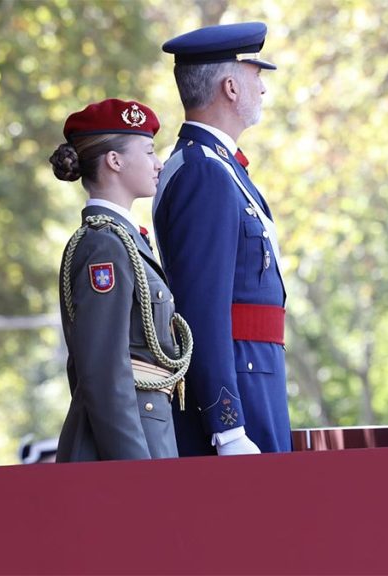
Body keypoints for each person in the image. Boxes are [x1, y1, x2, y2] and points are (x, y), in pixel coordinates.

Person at [153, 22, 290, 456]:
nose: (262, 88)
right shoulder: (204, 172)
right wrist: (226, 424)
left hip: (255, 369)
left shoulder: (218, 166)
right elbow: (202, 308)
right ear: (230, 87)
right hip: (241, 382)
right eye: (256, 74)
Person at [50, 99, 192, 462]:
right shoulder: (104, 245)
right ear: (114, 161)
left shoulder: (123, 240)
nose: (158, 163)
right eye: (149, 151)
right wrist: (134, 469)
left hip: (148, 428)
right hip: (129, 444)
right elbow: (103, 371)